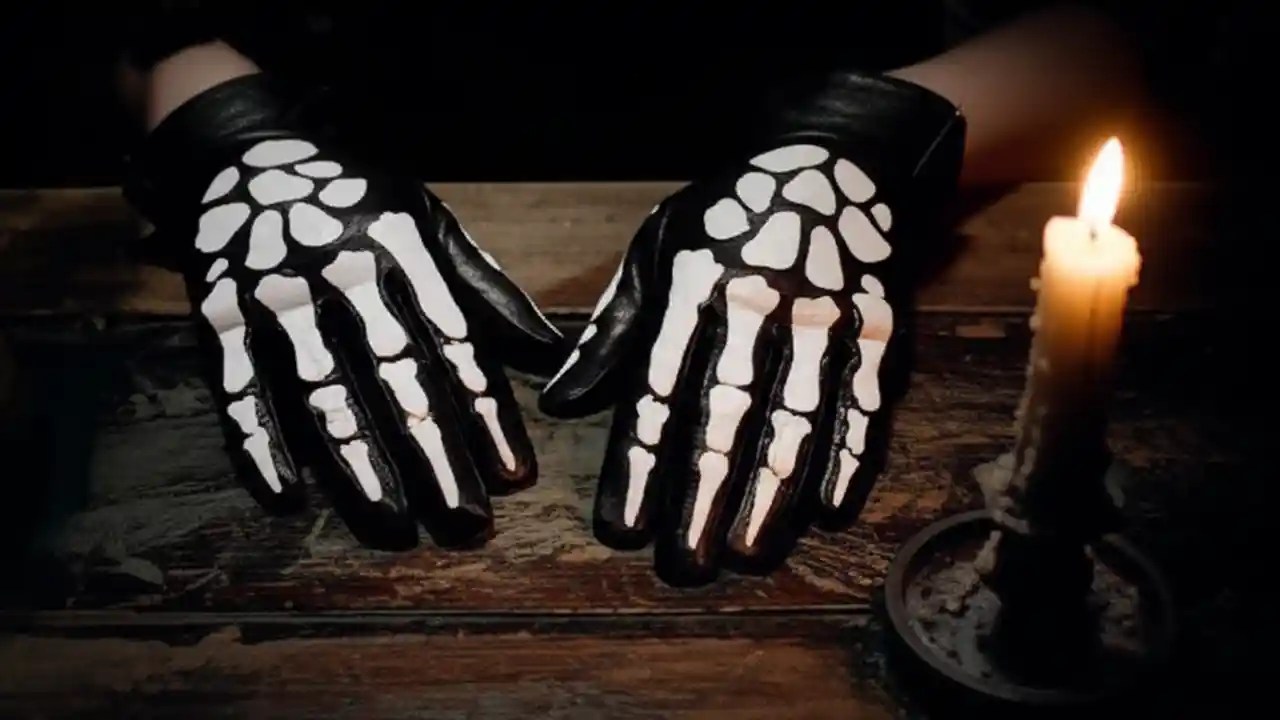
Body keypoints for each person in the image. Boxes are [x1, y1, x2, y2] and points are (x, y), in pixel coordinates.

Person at [101, 2, 1202, 586]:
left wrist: (861, 137)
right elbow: (128, 28)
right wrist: (236, 144)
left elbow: (1137, 32)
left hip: (808, 96)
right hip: (367, 126)